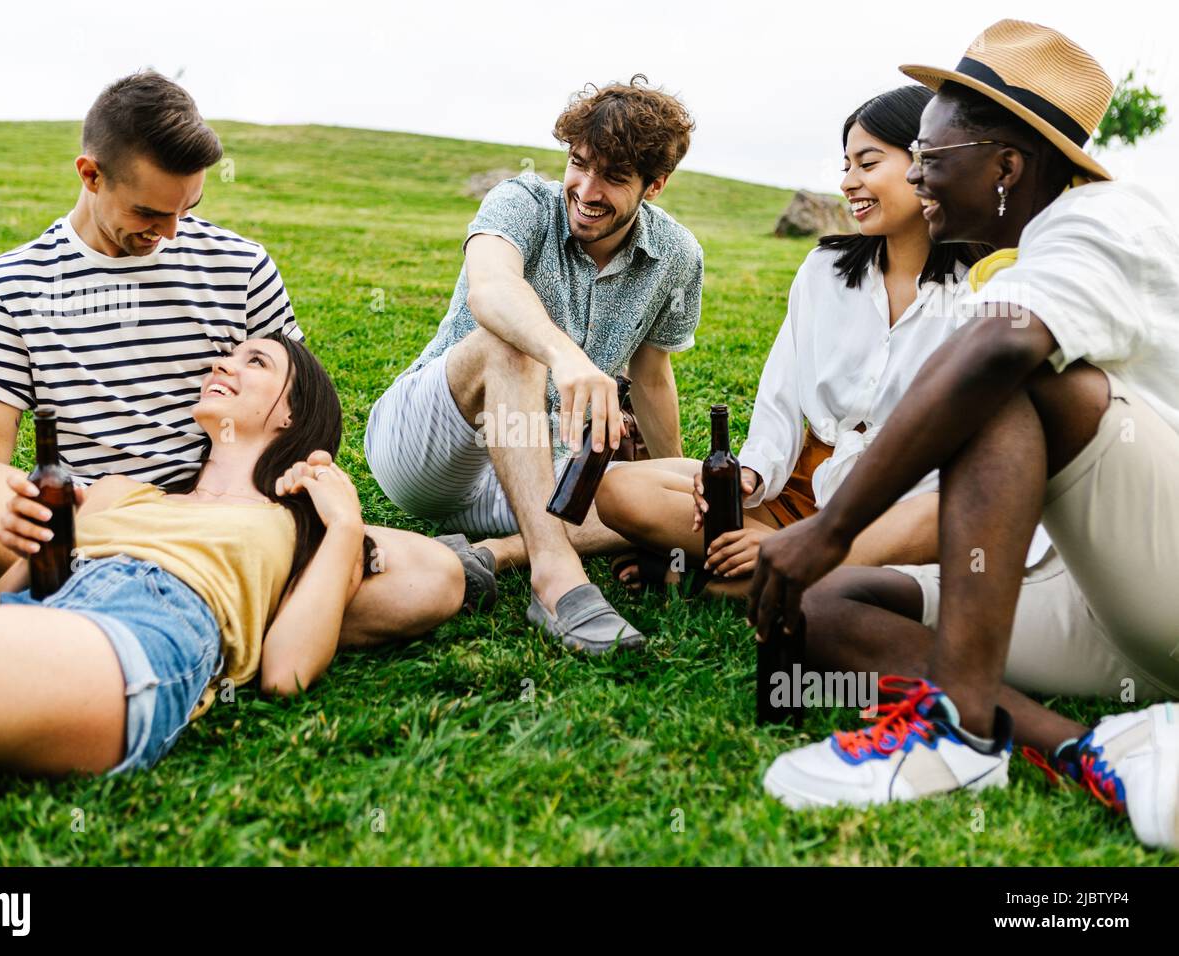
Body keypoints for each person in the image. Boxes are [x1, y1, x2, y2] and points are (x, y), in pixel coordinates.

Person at [755, 20, 1179, 853]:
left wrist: (829, 529)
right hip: (1105, 604)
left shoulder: (1107, 218)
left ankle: (957, 733)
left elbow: (999, 353)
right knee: (827, 604)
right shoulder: (1027, 257)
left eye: (930, 158)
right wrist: (828, 559)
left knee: (1013, 376)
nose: (917, 176)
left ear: (1007, 166)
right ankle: (1101, 748)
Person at [0, 69, 469, 644]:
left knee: (430, 575)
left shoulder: (240, 266)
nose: (170, 233)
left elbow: (298, 405)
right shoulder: (10, 284)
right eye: (149, 213)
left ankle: (171, 598)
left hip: (231, 523)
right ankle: (238, 608)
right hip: (93, 518)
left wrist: (298, 501)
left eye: (187, 208)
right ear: (90, 175)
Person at [0, 329, 451, 775]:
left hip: (132, 646)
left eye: (257, 362)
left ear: (293, 414)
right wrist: (30, 545)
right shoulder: (119, 492)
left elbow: (287, 674)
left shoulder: (293, 527)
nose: (223, 365)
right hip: (28, 626)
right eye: (231, 356)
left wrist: (347, 526)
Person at [596, 86, 986, 597]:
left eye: (867, 163)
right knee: (621, 488)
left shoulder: (981, 291)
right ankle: (768, 569)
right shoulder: (824, 272)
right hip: (802, 489)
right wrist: (752, 474)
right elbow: (779, 399)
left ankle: (753, 571)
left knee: (951, 522)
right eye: (846, 165)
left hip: (900, 510)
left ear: (925, 164)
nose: (848, 183)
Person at [364, 76, 703, 654]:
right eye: (580, 164)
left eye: (615, 178)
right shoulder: (520, 201)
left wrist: (661, 517)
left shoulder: (677, 255)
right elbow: (491, 291)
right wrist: (566, 357)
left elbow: (650, 377)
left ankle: (491, 553)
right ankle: (554, 579)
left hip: (529, 467)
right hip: (428, 444)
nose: (587, 190)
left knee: (693, 481)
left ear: (655, 186)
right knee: (510, 340)